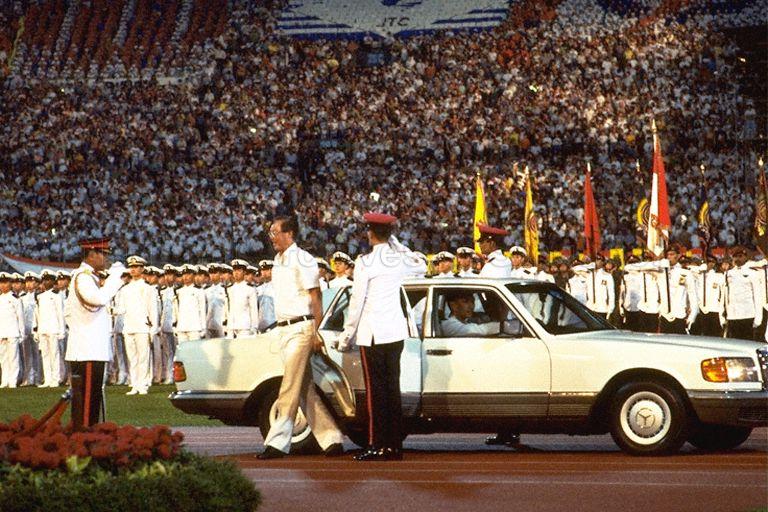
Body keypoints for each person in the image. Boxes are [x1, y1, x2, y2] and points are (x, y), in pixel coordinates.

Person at [336, 212, 427, 461]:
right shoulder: (398, 259)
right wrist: (396, 244)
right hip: (394, 333)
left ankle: (377, 444)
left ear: (370, 233)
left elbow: (357, 303)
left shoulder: (365, 262)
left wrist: (346, 337)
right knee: (392, 390)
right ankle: (394, 445)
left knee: (376, 394)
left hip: (373, 334)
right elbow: (422, 264)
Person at [257, 215, 345, 460]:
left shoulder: (303, 259)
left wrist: (317, 331)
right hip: (284, 328)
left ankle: (277, 442)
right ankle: (332, 439)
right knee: (304, 388)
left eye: (275, 232)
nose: (271, 237)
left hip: (301, 328)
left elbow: (315, 297)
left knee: (289, 384)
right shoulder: (277, 260)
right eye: (270, 232)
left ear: (290, 234)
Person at [64, 238, 125, 430]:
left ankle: (87, 436)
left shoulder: (89, 277)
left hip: (91, 348)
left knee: (92, 400)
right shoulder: (82, 277)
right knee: (87, 404)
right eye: (103, 254)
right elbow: (96, 300)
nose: (106, 259)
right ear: (91, 255)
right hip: (87, 349)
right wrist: (116, 279)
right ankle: (85, 440)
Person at [118, 255, 158, 395]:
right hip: (129, 326)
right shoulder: (125, 289)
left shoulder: (148, 288)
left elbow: (153, 309)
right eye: (131, 267)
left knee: (143, 357)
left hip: (142, 326)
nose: (133, 270)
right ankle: (134, 384)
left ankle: (143, 384)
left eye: (136, 267)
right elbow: (121, 309)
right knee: (132, 358)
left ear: (142, 268)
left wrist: (153, 329)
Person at [721, 246, 762, 340]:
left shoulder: (753, 273)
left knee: (747, 343)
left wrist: (758, 318)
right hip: (733, 315)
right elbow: (725, 296)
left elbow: (757, 296)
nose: (737, 259)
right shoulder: (728, 273)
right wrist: (723, 314)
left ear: (745, 257)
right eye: (735, 256)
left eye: (740, 256)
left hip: (747, 314)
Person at [35, 270, 66, 388]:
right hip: (43, 328)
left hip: (54, 328)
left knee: (55, 354)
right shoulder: (40, 296)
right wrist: (37, 331)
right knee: (45, 354)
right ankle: (47, 379)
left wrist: (62, 330)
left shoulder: (57, 297)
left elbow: (60, 314)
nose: (46, 282)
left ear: (53, 282)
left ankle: (56, 378)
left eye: (49, 280)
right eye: (45, 280)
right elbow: (38, 315)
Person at [690, 255, 725, 337]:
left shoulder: (718, 276)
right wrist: (700, 269)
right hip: (700, 309)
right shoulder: (698, 274)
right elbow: (688, 268)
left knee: (714, 336)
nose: (709, 264)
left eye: (711, 262)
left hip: (713, 310)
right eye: (707, 262)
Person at [0, 272, 24, 388]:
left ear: (10, 283)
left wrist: (22, 333)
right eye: (1, 283)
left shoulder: (15, 298)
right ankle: (5, 380)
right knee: (3, 358)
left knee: (13, 357)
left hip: (13, 331)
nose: (3, 286)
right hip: (2, 332)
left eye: (5, 283)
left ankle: (13, 380)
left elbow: (20, 317)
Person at [224, 259, 259, 338]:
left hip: (245, 326)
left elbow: (253, 309)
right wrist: (226, 323)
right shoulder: (229, 288)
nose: (236, 273)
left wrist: (254, 327)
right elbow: (227, 307)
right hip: (231, 326)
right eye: (234, 270)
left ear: (244, 272)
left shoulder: (250, 289)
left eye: (239, 270)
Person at [173, 265, 207, 342]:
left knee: (194, 351)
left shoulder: (199, 291)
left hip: (195, 327)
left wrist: (203, 327)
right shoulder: (178, 291)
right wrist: (174, 325)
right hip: (181, 326)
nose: (186, 277)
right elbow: (175, 309)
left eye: (188, 274)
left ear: (194, 275)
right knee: (183, 351)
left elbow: (202, 309)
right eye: (184, 274)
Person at [257, 259, 276, 332]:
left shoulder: (278, 286)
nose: (264, 272)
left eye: (267, 269)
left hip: (274, 323)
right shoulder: (259, 288)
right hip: (261, 325)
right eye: (262, 270)